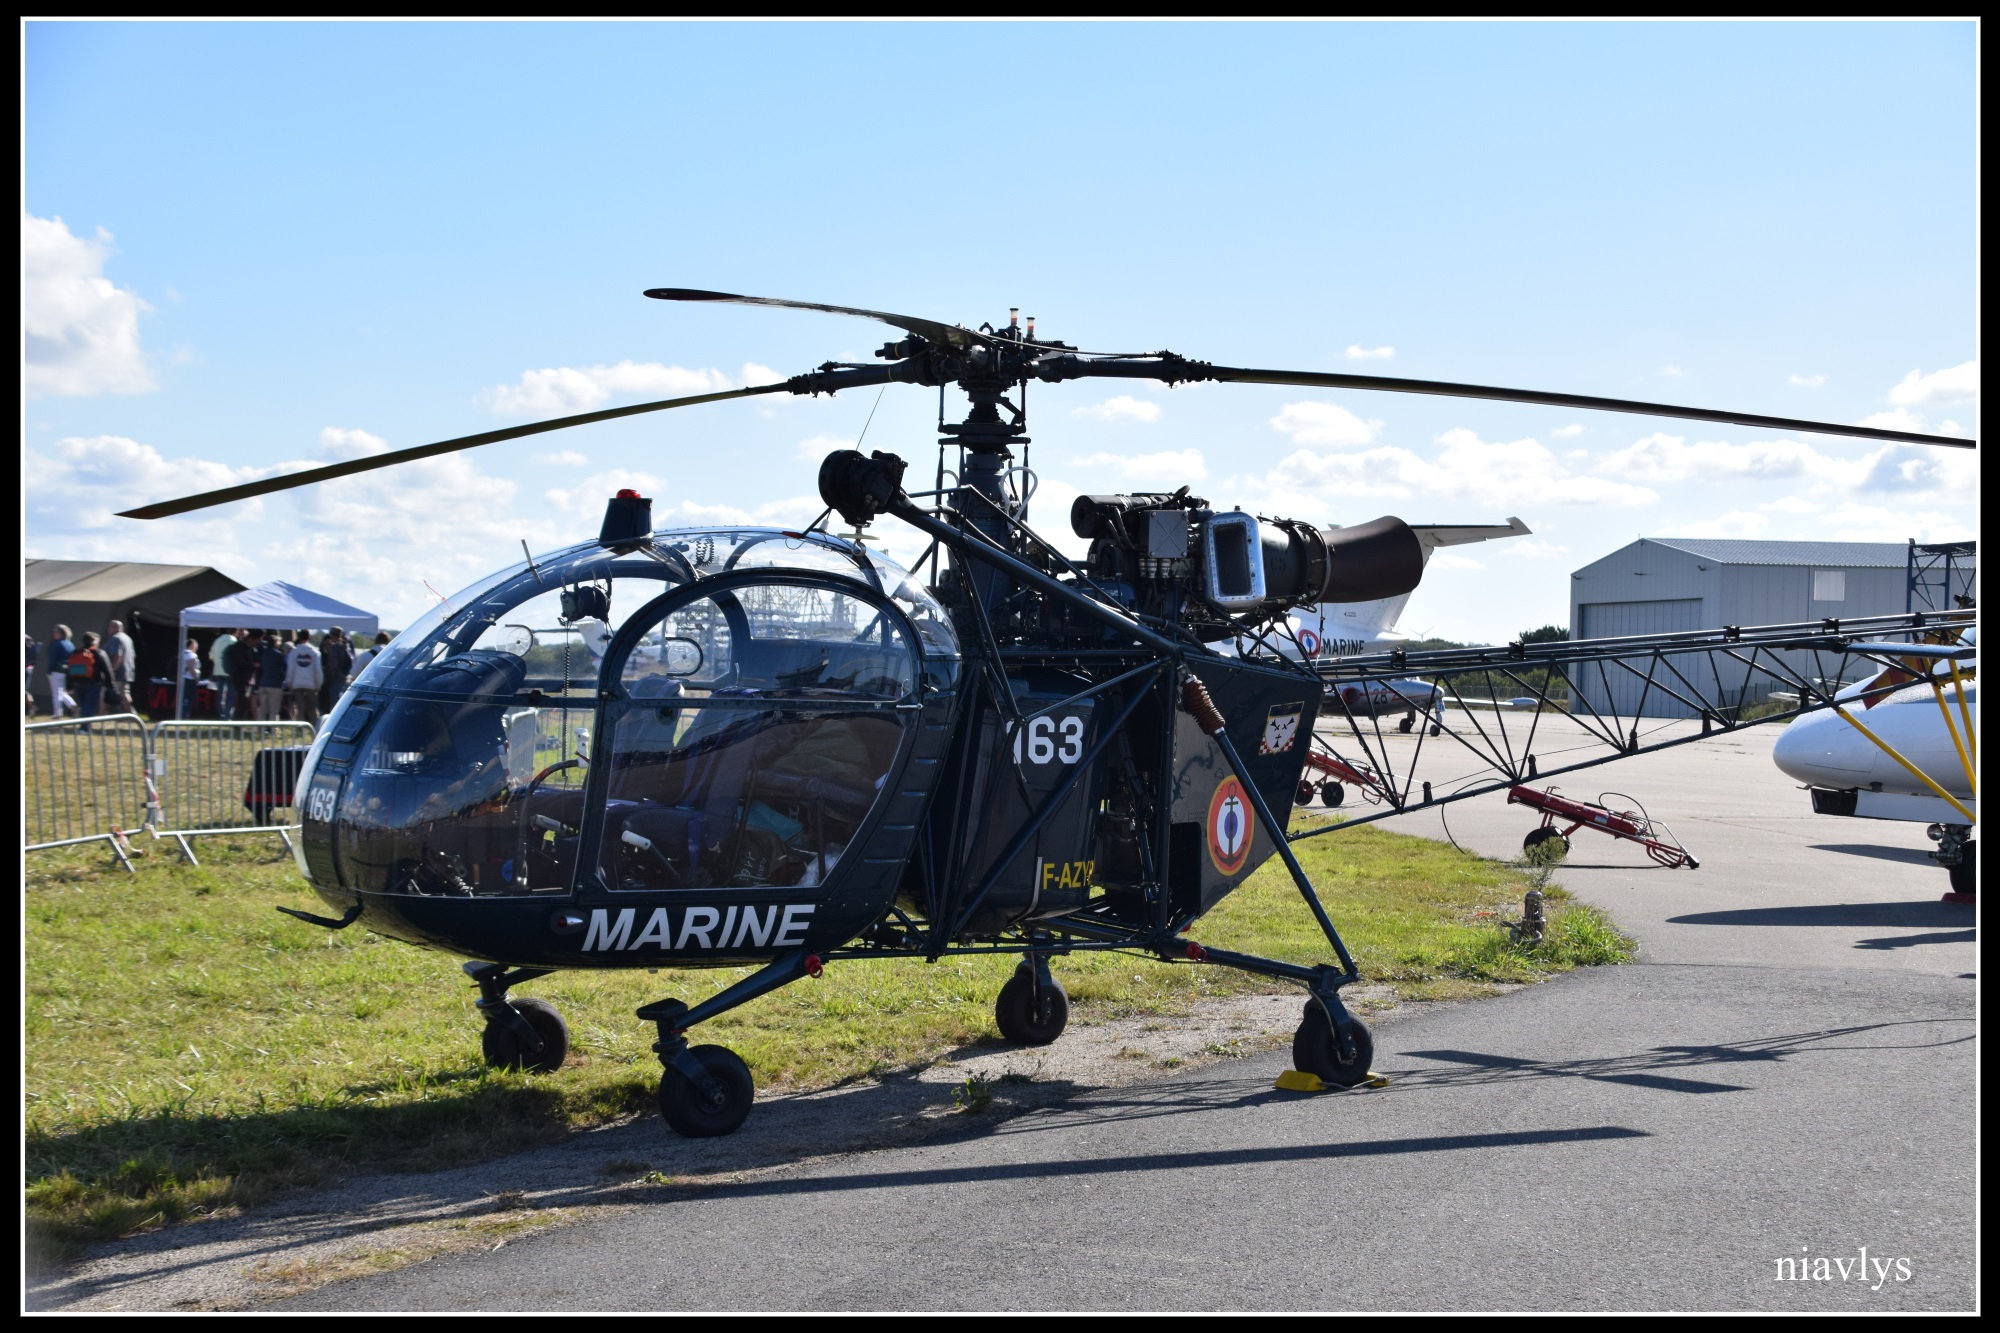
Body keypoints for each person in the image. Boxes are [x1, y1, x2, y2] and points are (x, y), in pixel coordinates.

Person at [284, 629, 324, 727]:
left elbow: (290, 669)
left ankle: (300, 728)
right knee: (312, 708)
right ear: (309, 637)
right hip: (311, 684)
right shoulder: (315, 652)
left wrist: (289, 682)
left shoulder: (294, 652)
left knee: (299, 708)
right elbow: (318, 670)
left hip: (297, 683)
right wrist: (319, 684)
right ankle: (315, 727)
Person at [74, 631, 116, 718]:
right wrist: (111, 685)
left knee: (83, 705)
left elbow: (70, 669)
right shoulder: (99, 653)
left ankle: (83, 724)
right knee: (89, 706)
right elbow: (107, 670)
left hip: (78, 683)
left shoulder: (77, 652)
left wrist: (69, 684)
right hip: (94, 683)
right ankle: (84, 727)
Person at [103, 619, 137, 715]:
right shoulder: (128, 639)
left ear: (115, 628)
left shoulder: (116, 639)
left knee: (106, 694)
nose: (108, 629)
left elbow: (117, 655)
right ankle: (131, 713)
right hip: (128, 672)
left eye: (109, 626)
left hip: (119, 672)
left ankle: (102, 714)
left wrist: (112, 671)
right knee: (124, 693)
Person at [44, 624, 78, 719]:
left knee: (56, 693)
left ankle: (58, 713)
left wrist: (49, 670)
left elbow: (53, 659)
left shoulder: (56, 644)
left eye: (55, 631)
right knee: (61, 692)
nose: (53, 633)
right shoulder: (70, 644)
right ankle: (72, 706)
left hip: (56, 670)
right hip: (67, 671)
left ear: (60, 633)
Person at [255, 630, 289, 722]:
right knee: (273, 710)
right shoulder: (278, 655)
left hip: (263, 683)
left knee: (263, 709)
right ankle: (273, 729)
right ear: (275, 643)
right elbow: (284, 667)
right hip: (275, 684)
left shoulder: (263, 654)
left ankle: (260, 728)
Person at [319, 627, 354, 713]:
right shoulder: (346, 645)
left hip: (335, 678)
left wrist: (329, 678)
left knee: (335, 704)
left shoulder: (335, 647)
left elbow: (333, 665)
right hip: (343, 677)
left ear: (332, 635)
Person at [228, 629, 260, 720]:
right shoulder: (239, 647)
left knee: (243, 701)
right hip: (239, 678)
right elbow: (239, 662)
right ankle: (237, 721)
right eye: (255, 641)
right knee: (241, 701)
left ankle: (239, 720)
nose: (256, 643)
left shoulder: (248, 648)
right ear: (250, 639)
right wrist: (252, 665)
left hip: (245, 678)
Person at [209, 627, 239, 719]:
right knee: (230, 694)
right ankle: (227, 714)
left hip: (217, 671)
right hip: (230, 671)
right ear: (235, 632)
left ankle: (221, 714)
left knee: (220, 694)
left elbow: (211, 657)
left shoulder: (217, 641)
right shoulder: (234, 641)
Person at [179, 637, 203, 718]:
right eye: (195, 645)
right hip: (190, 679)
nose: (196, 647)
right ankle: (185, 715)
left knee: (184, 698)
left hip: (183, 678)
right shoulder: (191, 655)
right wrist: (197, 679)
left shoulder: (182, 653)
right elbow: (191, 668)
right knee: (189, 699)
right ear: (192, 645)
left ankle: (182, 715)